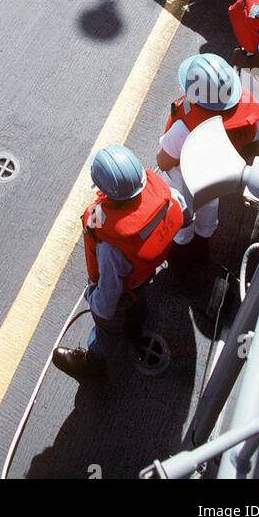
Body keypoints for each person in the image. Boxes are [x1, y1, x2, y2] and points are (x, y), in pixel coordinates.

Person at [51, 145, 184, 380]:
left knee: (107, 331)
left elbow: (109, 293)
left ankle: (93, 366)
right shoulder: (164, 196)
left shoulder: (111, 243)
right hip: (143, 277)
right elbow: (182, 208)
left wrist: (95, 302)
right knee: (137, 308)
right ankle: (134, 331)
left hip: (121, 293)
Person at [156, 54, 259, 269]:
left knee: (182, 216)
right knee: (208, 210)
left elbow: (164, 162)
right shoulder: (246, 105)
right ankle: (202, 245)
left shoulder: (183, 129)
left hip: (187, 178)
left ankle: (183, 255)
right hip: (216, 174)